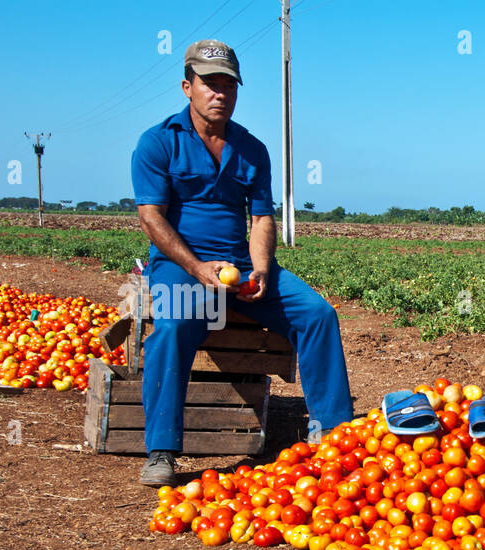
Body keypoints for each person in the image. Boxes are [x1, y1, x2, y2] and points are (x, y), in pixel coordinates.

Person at [130, 39, 352, 485]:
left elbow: (262, 218)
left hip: (240, 263)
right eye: (209, 83)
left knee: (317, 314)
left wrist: (263, 269)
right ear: (186, 86)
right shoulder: (157, 143)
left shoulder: (252, 148)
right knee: (173, 327)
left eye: (228, 85)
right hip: (181, 266)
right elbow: (151, 218)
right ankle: (161, 450)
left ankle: (333, 433)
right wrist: (196, 269)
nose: (219, 93)